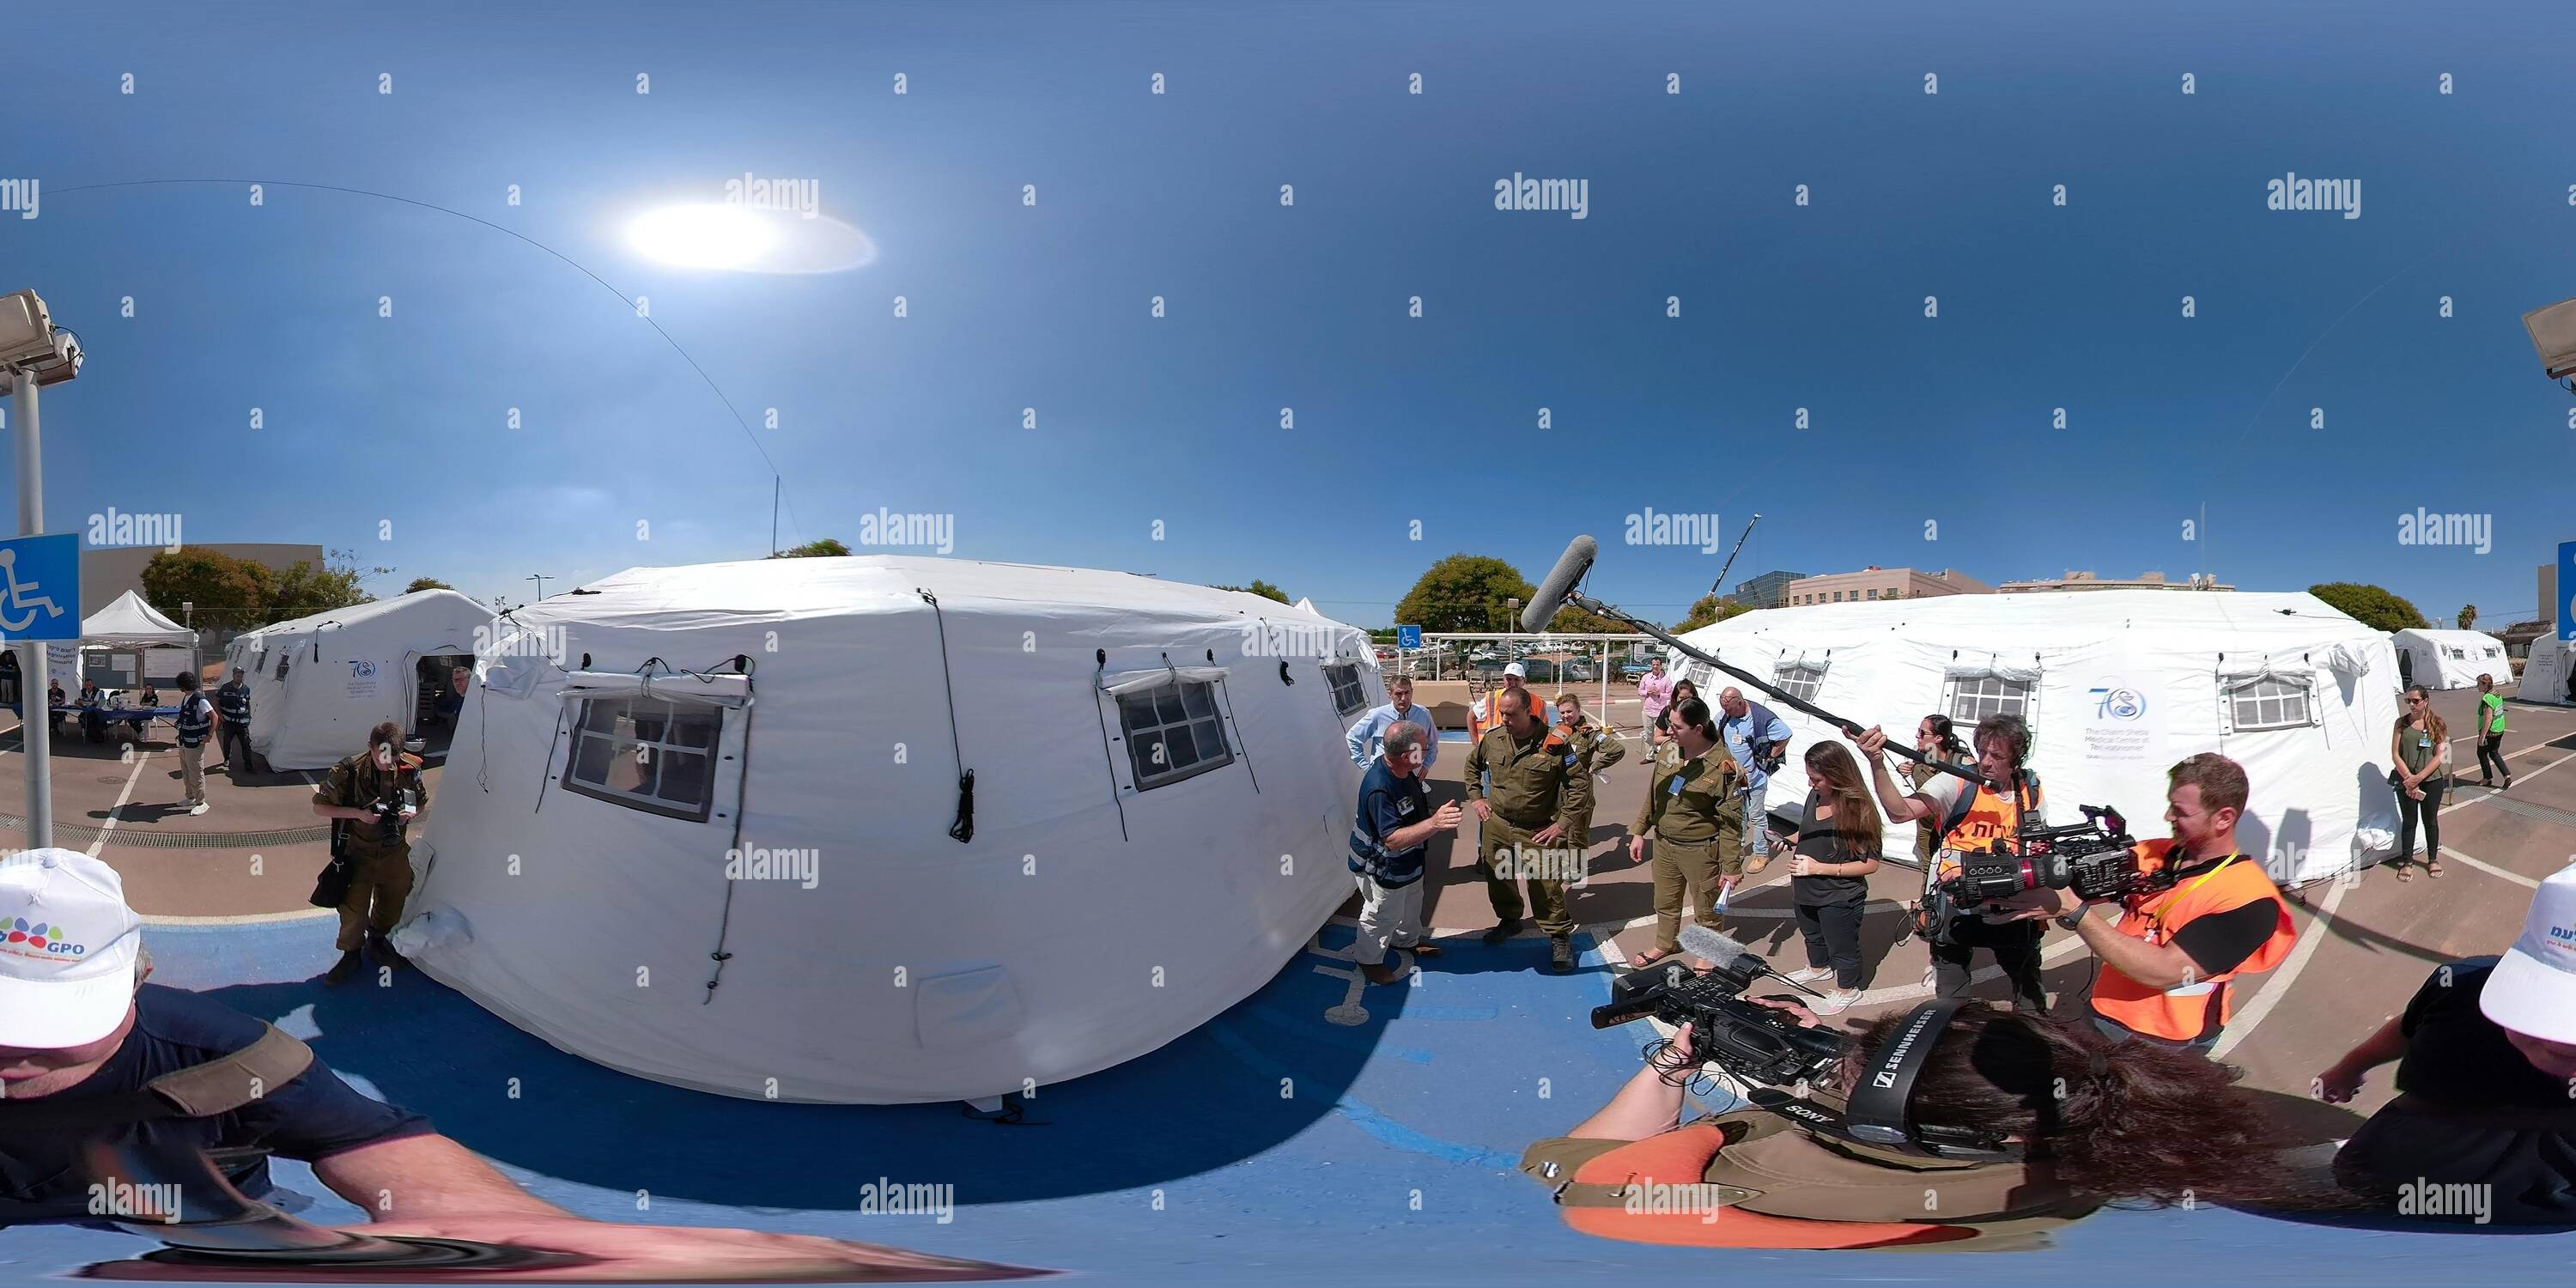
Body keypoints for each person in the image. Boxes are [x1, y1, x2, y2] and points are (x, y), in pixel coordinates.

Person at [0, 850, 1020, 1278]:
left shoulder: (229, 1056)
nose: (10, 1056)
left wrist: (518, 1248)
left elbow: (390, 1151)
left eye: (49, 1021)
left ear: (137, 980)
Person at [1521, 998, 2299, 1249]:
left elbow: (1575, 1177)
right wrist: (1841, 1038)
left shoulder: (1775, 1178)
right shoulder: (2088, 1153)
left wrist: (1676, 1078)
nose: (1840, 1072)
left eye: (1857, 1074)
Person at [2317, 864, 2576, 1224]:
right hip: (2399, 1187)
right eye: (2537, 1003)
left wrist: (2348, 1069)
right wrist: (2349, 1067)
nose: (2555, 1039)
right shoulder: (2460, 984)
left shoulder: (2464, 980)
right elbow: (2408, 1029)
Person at [1992, 753, 2297, 1054]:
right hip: (2104, 1011)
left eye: (2180, 811)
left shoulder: (2251, 900)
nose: (2167, 817)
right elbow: (2088, 880)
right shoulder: (2159, 852)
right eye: (2169, 805)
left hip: (2170, 1041)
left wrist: (2075, 911)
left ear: (2224, 818)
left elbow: (2165, 970)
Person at [1855, 714, 2049, 1013]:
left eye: (1997, 756)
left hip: (2011, 902)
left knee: (2028, 987)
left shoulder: (2031, 788)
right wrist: (1877, 763)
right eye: (1982, 752)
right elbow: (1901, 812)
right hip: (1955, 900)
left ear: (2017, 757)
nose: (1985, 762)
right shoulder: (1956, 779)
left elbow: (2037, 838)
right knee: (1952, 997)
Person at [1463, 687, 1592, 973]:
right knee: (1498, 877)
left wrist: (1562, 824)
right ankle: (1510, 920)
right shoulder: (1494, 739)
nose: (1505, 719)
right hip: (1496, 824)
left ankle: (1558, 935)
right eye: (1502, 714)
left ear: (1527, 711)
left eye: (1510, 714)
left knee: (1546, 885)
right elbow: (1472, 768)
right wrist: (1477, 798)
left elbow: (1579, 786)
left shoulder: (1554, 742)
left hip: (1537, 829)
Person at [1626, 698, 1741, 970]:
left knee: (1707, 908)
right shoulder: (1668, 749)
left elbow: (1732, 821)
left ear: (1698, 729)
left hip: (1700, 850)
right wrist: (1639, 831)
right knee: (1665, 901)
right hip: (1665, 845)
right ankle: (1666, 943)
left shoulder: (1724, 767)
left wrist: (1731, 866)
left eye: (1676, 726)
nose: (1668, 731)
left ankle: (1708, 952)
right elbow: (1655, 795)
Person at [311, 721, 428, 987]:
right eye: (381, 758)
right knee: (354, 909)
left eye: (392, 759)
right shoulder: (347, 772)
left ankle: (377, 940)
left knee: (395, 897)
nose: (387, 765)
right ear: (370, 748)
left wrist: (409, 814)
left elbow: (420, 803)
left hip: (393, 849)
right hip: (357, 851)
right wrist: (358, 814)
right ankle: (351, 954)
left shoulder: (409, 768)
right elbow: (320, 809)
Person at [1347, 721, 1464, 985]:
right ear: (1405, 755)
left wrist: (1430, 817)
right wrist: (1434, 824)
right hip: (1383, 867)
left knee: (1412, 902)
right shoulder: (1380, 787)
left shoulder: (1405, 771)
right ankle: (1368, 959)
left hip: (1407, 862)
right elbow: (1392, 840)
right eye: (1422, 748)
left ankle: (1405, 941)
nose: (1427, 751)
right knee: (1382, 913)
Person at [1778, 741, 1884, 1014]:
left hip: (1839, 894)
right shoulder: (1814, 797)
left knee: (1842, 946)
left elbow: (1870, 864)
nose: (1809, 784)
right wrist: (1787, 840)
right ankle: (1817, 968)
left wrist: (1818, 868)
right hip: (1805, 886)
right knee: (1812, 934)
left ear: (1836, 777)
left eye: (1816, 779)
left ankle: (1848, 989)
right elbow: (1807, 830)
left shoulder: (1859, 811)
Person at [1714, 688, 1792, 875]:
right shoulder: (1724, 715)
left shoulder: (1761, 717)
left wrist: (1771, 756)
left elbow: (1785, 734)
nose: (1726, 712)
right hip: (1735, 779)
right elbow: (1716, 734)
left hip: (1755, 778)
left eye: (1729, 709)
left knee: (1757, 816)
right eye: (1724, 708)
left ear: (1739, 702)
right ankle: (1737, 850)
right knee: (1738, 815)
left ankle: (1761, 854)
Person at [1553, 691, 1625, 848]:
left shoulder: (1589, 733)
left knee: (1577, 837)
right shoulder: (1557, 731)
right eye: (1563, 712)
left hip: (1579, 794)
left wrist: (1595, 766)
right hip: (1558, 792)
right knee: (1559, 835)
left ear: (1579, 710)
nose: (1566, 716)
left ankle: (1577, 872)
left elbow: (1617, 750)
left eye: (1570, 711)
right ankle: (1562, 869)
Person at [2391, 685, 2448, 881]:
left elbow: (2439, 756)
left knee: (2430, 821)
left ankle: (2432, 859)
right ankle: (2407, 862)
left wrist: (2419, 778)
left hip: (2431, 781)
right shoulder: (2401, 724)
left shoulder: (2438, 723)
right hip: (2406, 781)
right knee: (2409, 822)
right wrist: (2409, 779)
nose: (2412, 705)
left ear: (2426, 701)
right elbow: (2395, 754)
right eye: (2409, 701)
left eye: (2416, 701)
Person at [1907, 714, 1972, 866]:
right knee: (1927, 868)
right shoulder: (1918, 757)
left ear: (1938, 738)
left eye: (1923, 733)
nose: (1918, 736)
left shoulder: (1960, 762)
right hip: (1926, 827)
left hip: (1950, 829)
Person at [1346, 675, 1439, 769]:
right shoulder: (1377, 715)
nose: (1403, 698)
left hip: (1413, 775)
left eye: (1407, 693)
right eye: (1399, 694)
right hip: (1385, 775)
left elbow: (1433, 742)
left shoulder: (1423, 714)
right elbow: (1352, 737)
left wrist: (1426, 766)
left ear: (1412, 692)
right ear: (1390, 695)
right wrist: (1366, 768)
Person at [170, 671, 215, 816]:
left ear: (183, 685)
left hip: (195, 743)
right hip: (185, 741)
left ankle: (201, 801)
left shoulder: (200, 699)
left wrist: (209, 735)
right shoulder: (186, 698)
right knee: (186, 771)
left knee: (196, 772)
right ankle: (190, 796)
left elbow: (214, 717)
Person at [1468, 660, 1534, 742]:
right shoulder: (1492, 698)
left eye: (1517, 679)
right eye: (1509, 679)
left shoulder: (1537, 702)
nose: (1512, 683)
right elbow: (1471, 717)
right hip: (1495, 748)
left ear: (1524, 680)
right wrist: (1476, 743)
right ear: (1504, 680)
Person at [2473, 673, 2512, 791]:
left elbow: (2488, 718)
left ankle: (2487, 778)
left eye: (2479, 684)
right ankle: (2507, 775)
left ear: (2485, 685)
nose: (2477, 686)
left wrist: (2482, 736)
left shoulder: (2487, 698)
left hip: (2491, 731)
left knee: (2482, 753)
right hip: (2499, 728)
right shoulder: (2496, 694)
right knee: (2494, 753)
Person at [214, 665, 253, 773]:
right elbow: (216, 701)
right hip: (229, 722)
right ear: (233, 676)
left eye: (241, 676)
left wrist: (249, 716)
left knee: (246, 744)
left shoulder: (246, 689)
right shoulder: (225, 687)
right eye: (237, 676)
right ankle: (227, 758)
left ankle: (248, 764)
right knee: (227, 742)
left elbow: (248, 704)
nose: (239, 678)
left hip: (242, 723)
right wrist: (220, 716)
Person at [1649, 678, 1700, 751]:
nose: (1685, 702)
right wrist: (1674, 738)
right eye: (1681, 698)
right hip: (1672, 753)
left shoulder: (1700, 712)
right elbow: (1657, 739)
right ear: (1676, 697)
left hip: (1694, 752)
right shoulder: (1667, 711)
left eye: (1688, 698)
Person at [1636, 656, 1674, 735]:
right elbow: (1640, 691)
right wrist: (1647, 692)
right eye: (1653, 665)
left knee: (1660, 734)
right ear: (1651, 666)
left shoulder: (1666, 680)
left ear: (1661, 666)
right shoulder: (1645, 677)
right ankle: (1650, 748)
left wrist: (1659, 694)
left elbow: (1670, 695)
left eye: (1657, 665)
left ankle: (1659, 748)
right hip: (1647, 711)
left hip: (1660, 712)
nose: (1655, 667)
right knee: (1648, 735)